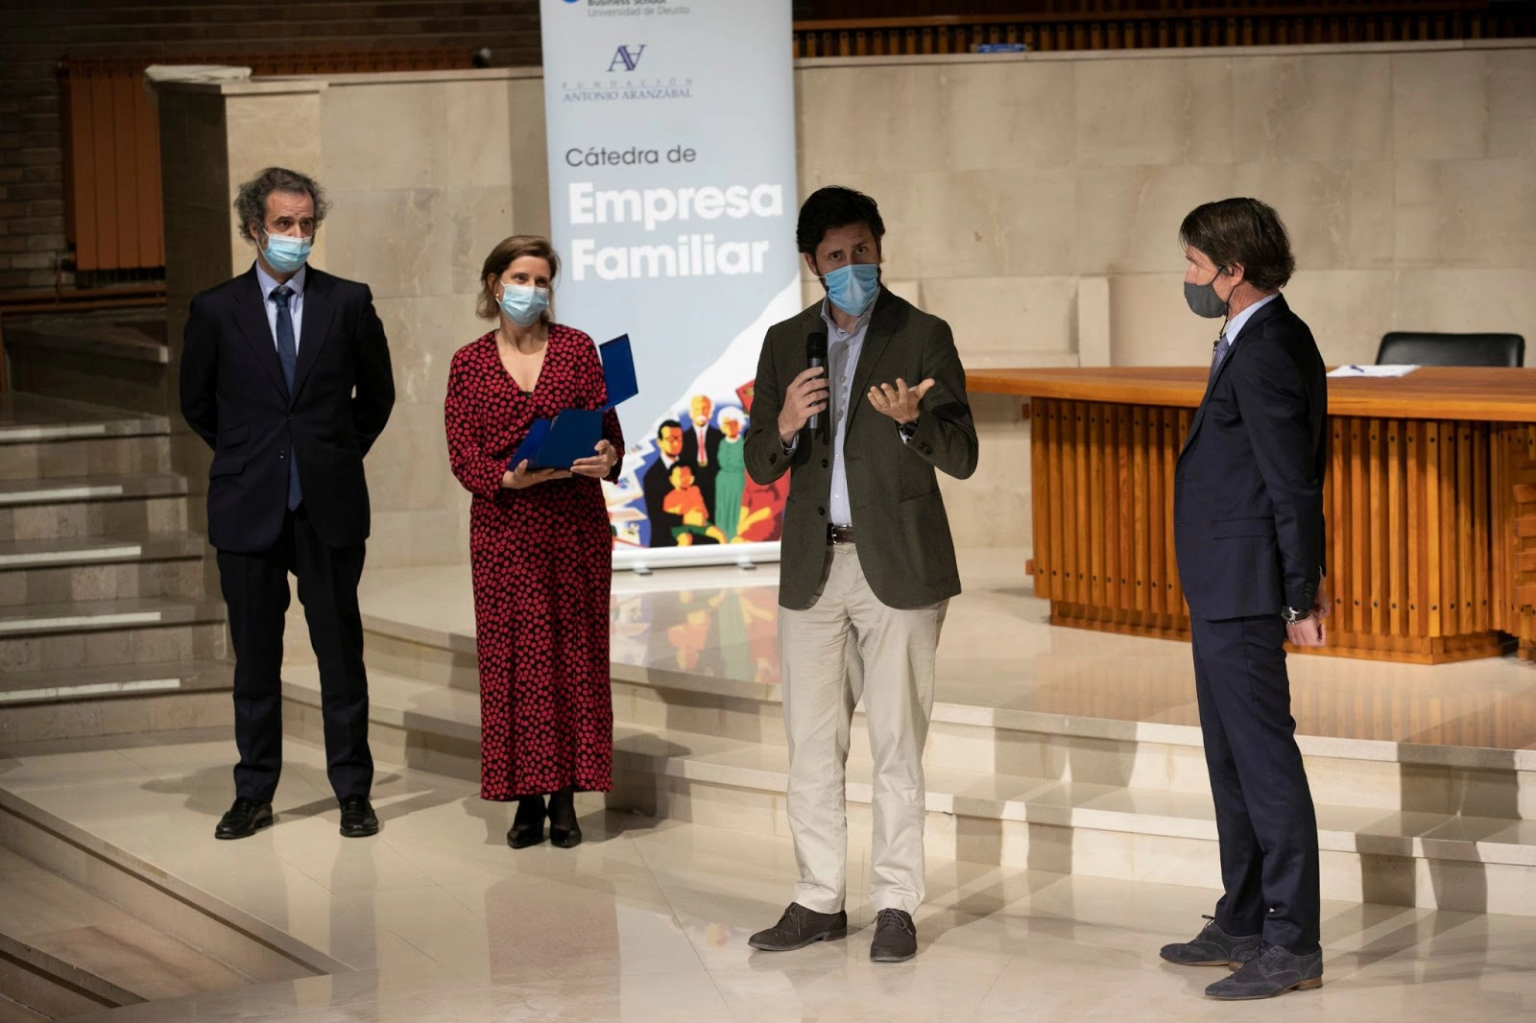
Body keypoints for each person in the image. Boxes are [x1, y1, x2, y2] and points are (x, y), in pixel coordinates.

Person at [743, 186, 978, 963]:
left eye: (864, 251)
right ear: (811, 264)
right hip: (815, 568)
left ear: (882, 247)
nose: (855, 267)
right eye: (837, 257)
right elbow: (756, 460)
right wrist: (781, 424)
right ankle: (817, 898)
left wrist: (914, 421)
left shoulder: (924, 334)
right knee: (810, 743)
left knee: (897, 743)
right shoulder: (784, 343)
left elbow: (965, 454)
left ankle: (895, 903)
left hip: (900, 564)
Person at [180, 166, 395, 841]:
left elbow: (378, 397)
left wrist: (328, 451)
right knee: (256, 660)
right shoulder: (215, 309)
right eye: (284, 225)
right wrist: (255, 457)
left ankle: (353, 792)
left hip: (326, 504)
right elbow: (196, 402)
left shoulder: (348, 302)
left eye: (306, 225)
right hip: (249, 508)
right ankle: (253, 792)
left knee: (340, 655)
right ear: (254, 227)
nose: (297, 236)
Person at [1158, 198, 1330, 1000]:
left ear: (1235, 270)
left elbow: (1292, 482)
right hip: (1220, 583)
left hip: (1251, 584)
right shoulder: (1249, 337)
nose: (1189, 277)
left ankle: (1292, 939)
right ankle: (1244, 916)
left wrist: (1301, 594)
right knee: (1229, 756)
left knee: (1264, 762)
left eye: (1196, 264)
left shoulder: (1268, 347)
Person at [443, 234, 623, 850]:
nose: (533, 290)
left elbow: (610, 433)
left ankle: (568, 796)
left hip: (573, 526)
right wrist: (504, 477)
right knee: (514, 663)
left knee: (574, 657)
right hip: (505, 530)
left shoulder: (577, 349)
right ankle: (525, 799)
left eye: (543, 280)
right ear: (495, 283)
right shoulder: (468, 363)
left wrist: (606, 456)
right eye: (521, 278)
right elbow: (461, 449)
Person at [642, 420, 687, 547]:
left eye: (679, 438)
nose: (676, 443)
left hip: (692, 542)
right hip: (663, 543)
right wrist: (685, 518)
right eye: (670, 439)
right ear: (659, 442)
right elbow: (656, 516)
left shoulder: (689, 467)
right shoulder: (651, 477)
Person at [681, 393, 723, 518]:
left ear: (710, 412)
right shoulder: (682, 439)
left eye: (705, 408)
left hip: (715, 485)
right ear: (690, 412)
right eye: (697, 408)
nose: (701, 412)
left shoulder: (720, 437)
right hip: (691, 485)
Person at [713, 407, 748, 541]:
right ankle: (722, 537)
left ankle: (734, 536)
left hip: (738, 479)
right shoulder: (721, 443)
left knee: (736, 508)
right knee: (722, 508)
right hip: (722, 480)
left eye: (733, 423)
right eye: (727, 423)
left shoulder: (743, 443)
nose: (730, 427)